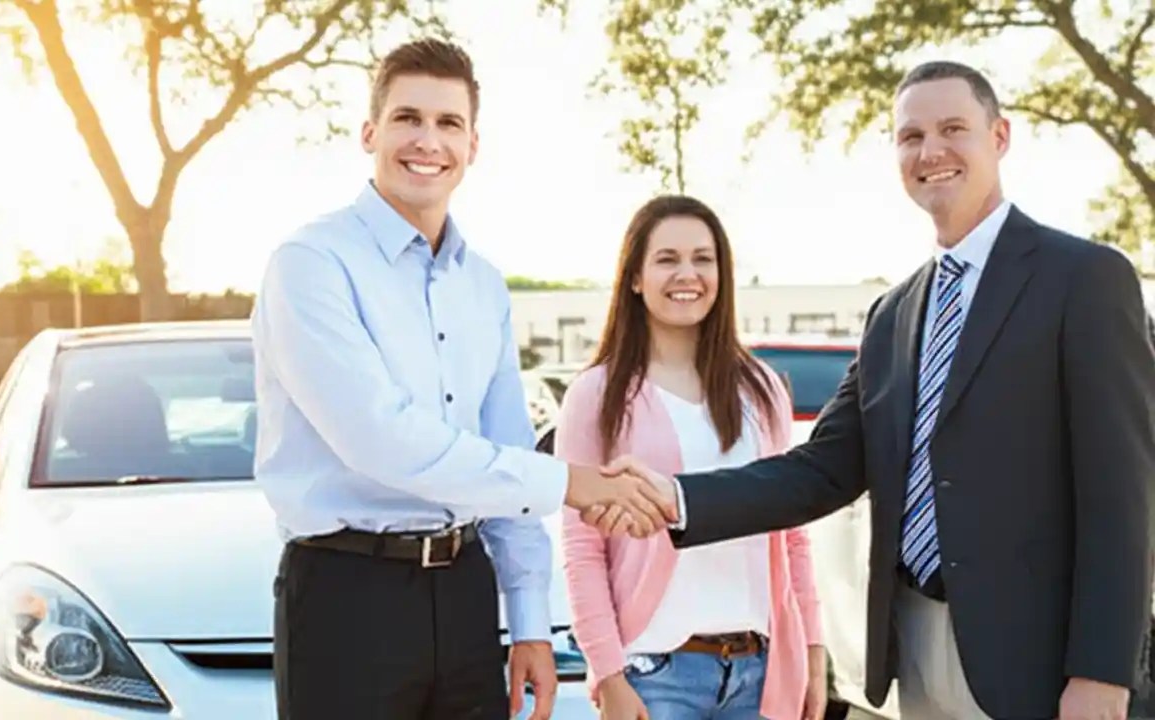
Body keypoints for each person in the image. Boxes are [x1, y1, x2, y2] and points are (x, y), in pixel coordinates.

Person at [593, 61, 1155, 719]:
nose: (931, 151)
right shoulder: (894, 314)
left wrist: (1102, 672)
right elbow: (821, 470)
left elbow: (1125, 496)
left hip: (1039, 663)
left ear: (999, 136)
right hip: (912, 648)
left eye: (953, 129)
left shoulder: (1084, 279)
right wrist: (676, 497)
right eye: (911, 136)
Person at [250, 38, 674, 720]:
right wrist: (574, 483)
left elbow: (502, 443)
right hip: (347, 597)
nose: (428, 141)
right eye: (407, 118)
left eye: (449, 124)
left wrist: (530, 619)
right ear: (370, 133)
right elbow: (380, 438)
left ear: (474, 145)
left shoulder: (483, 286)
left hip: (466, 596)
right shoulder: (310, 265)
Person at [555, 195, 829, 720]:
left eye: (703, 259)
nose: (688, 274)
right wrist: (608, 673)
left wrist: (813, 648)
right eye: (667, 259)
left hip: (760, 672)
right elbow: (581, 547)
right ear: (635, 277)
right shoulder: (597, 394)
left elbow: (791, 533)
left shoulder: (762, 388)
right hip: (655, 677)